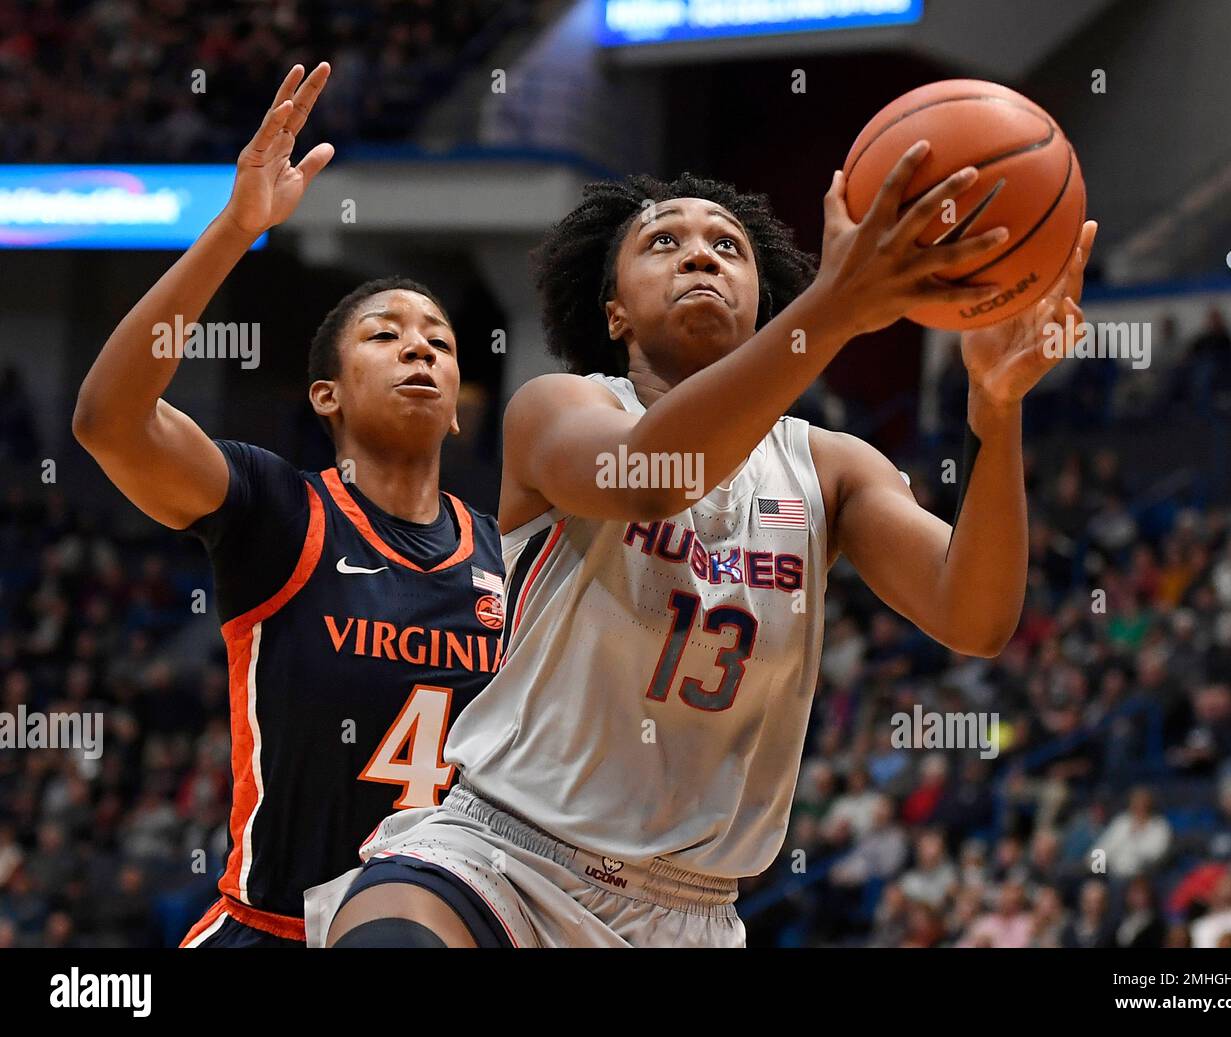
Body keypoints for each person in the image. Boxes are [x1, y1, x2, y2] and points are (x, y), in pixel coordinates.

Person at [307, 142, 1098, 947]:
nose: (699, 254)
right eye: (663, 242)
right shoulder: (556, 407)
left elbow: (976, 617)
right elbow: (655, 475)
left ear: (761, 302)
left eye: (728, 246)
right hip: (498, 858)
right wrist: (833, 309)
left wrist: (996, 417)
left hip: (690, 911)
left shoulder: (829, 466)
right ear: (614, 311)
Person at [73, 63, 504, 947]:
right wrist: (236, 230)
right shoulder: (280, 509)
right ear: (326, 394)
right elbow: (108, 420)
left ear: (460, 399)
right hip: (270, 929)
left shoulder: (507, 557)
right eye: (385, 336)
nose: (418, 350)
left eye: (439, 342)